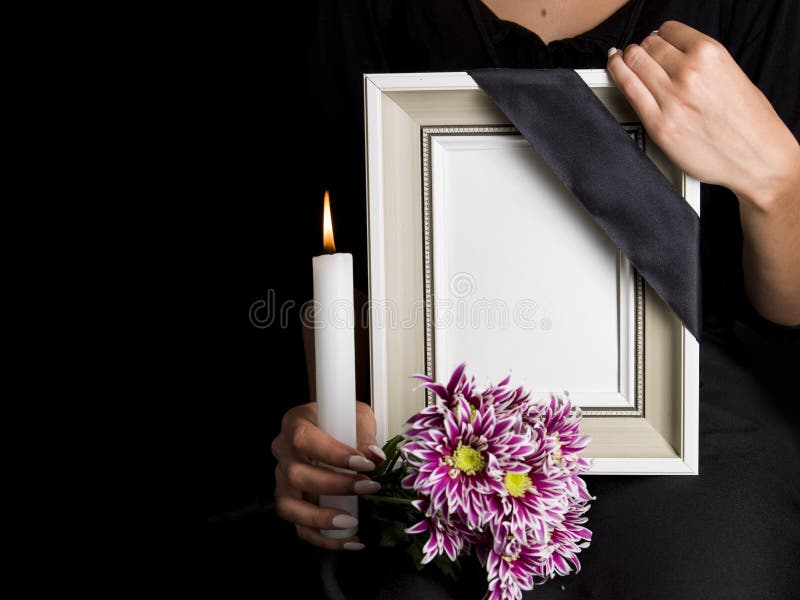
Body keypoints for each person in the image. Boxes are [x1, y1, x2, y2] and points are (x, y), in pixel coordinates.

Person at [270, 1, 800, 597]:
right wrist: (336, 430)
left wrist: (778, 181)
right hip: (440, 431)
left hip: (698, 416)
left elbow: (787, 317)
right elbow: (348, 275)